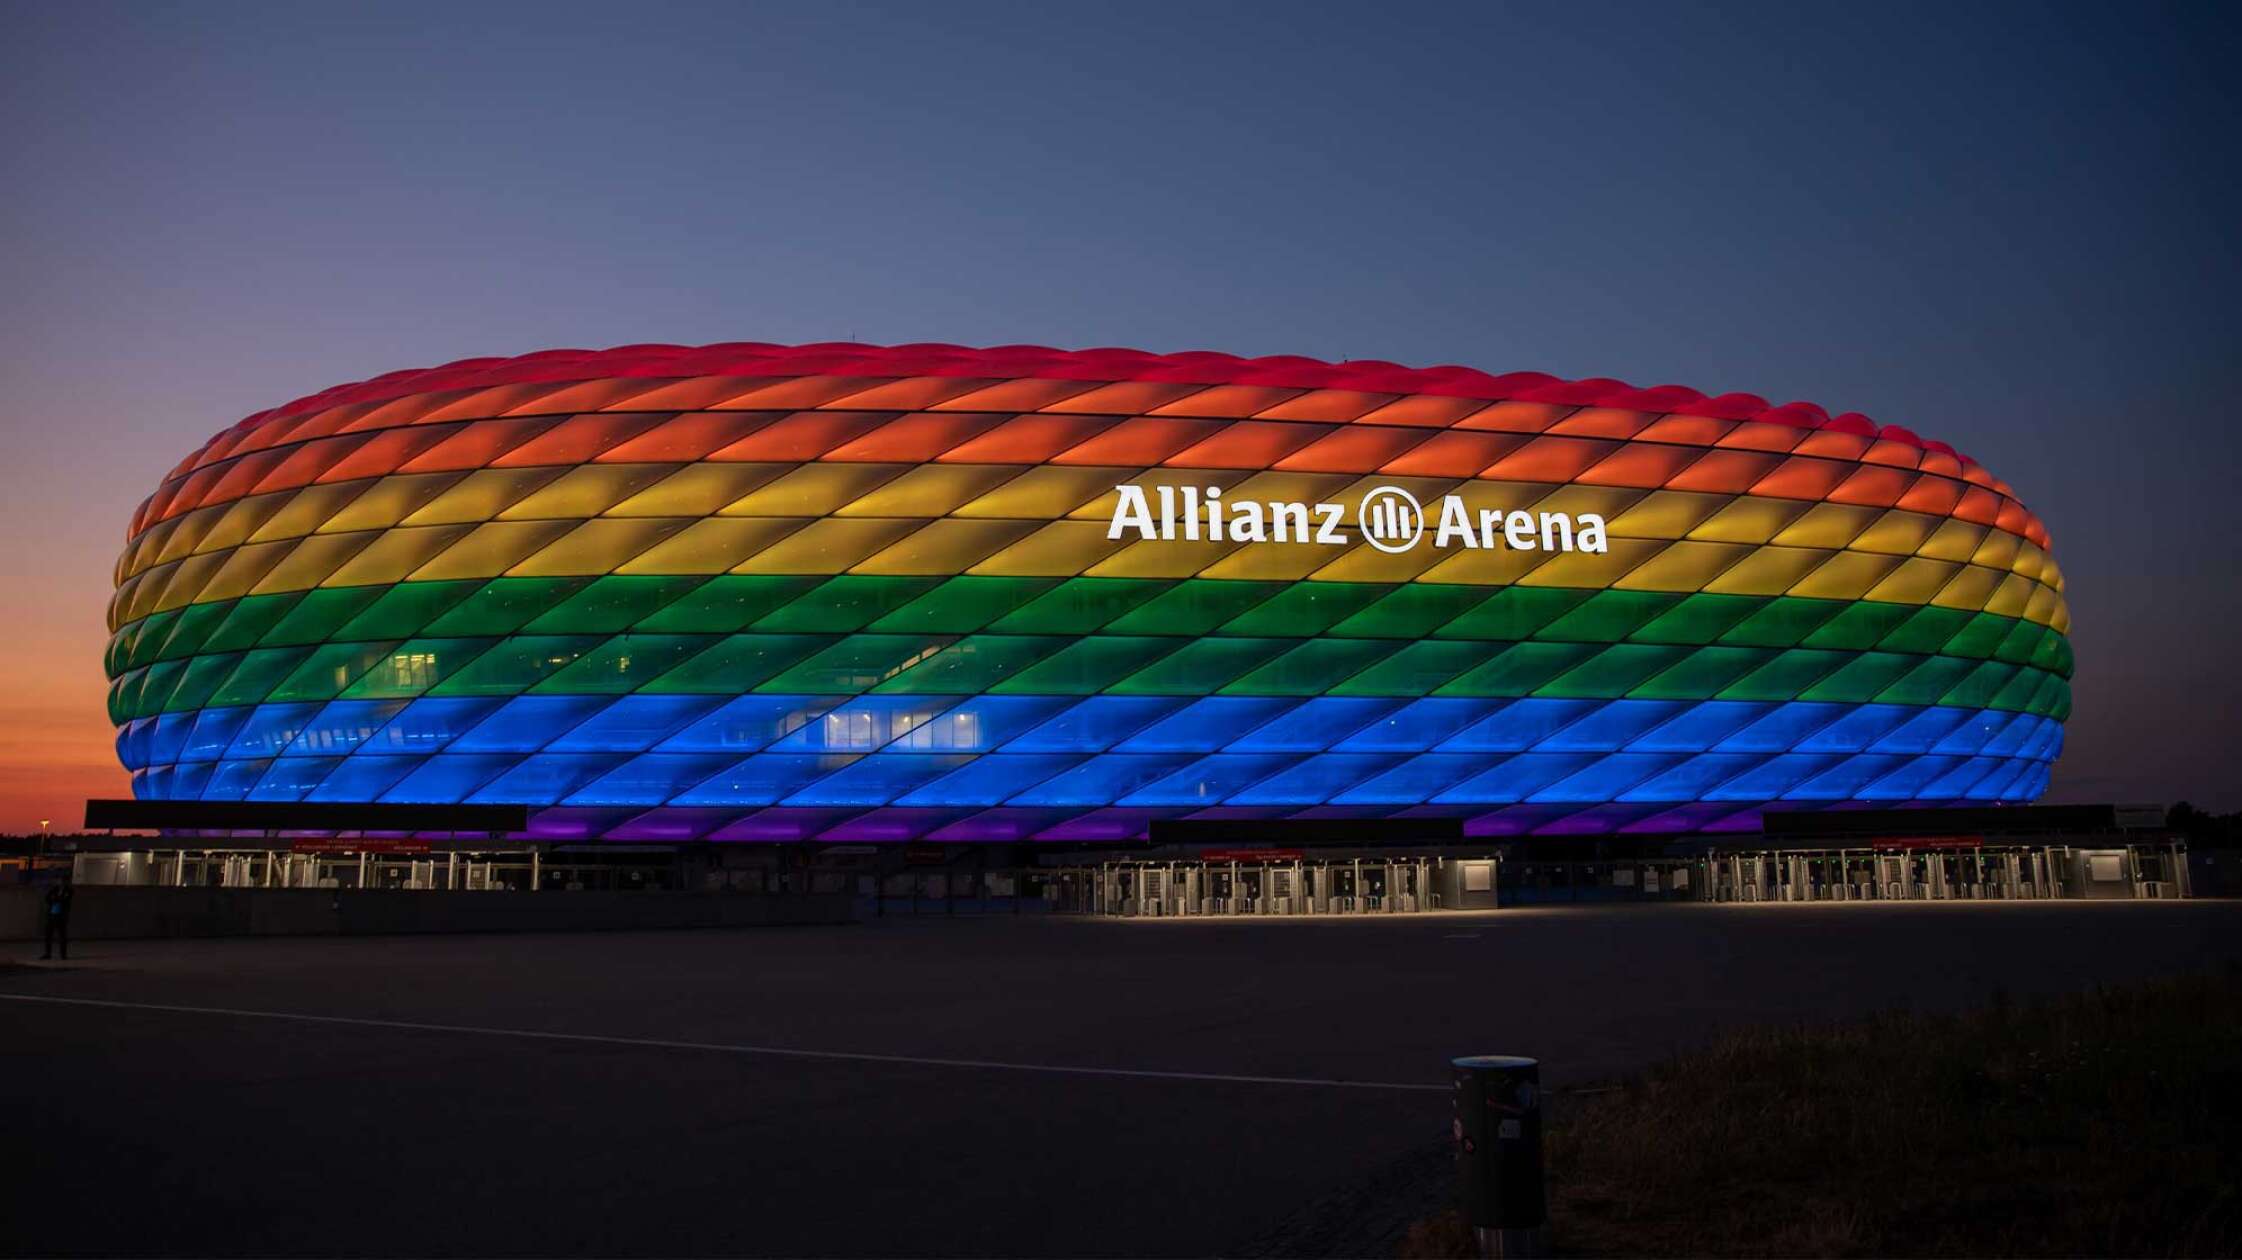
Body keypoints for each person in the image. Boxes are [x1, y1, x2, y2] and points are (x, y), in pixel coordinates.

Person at [40, 880, 74, 961]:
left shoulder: (69, 890)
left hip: (61, 916)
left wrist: (55, 898)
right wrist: (57, 898)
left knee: (62, 936)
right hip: (52, 915)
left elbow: (65, 900)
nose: (61, 883)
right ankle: (48, 953)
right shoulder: (54, 889)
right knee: (48, 935)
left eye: (63, 881)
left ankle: (63, 954)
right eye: (60, 881)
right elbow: (47, 898)